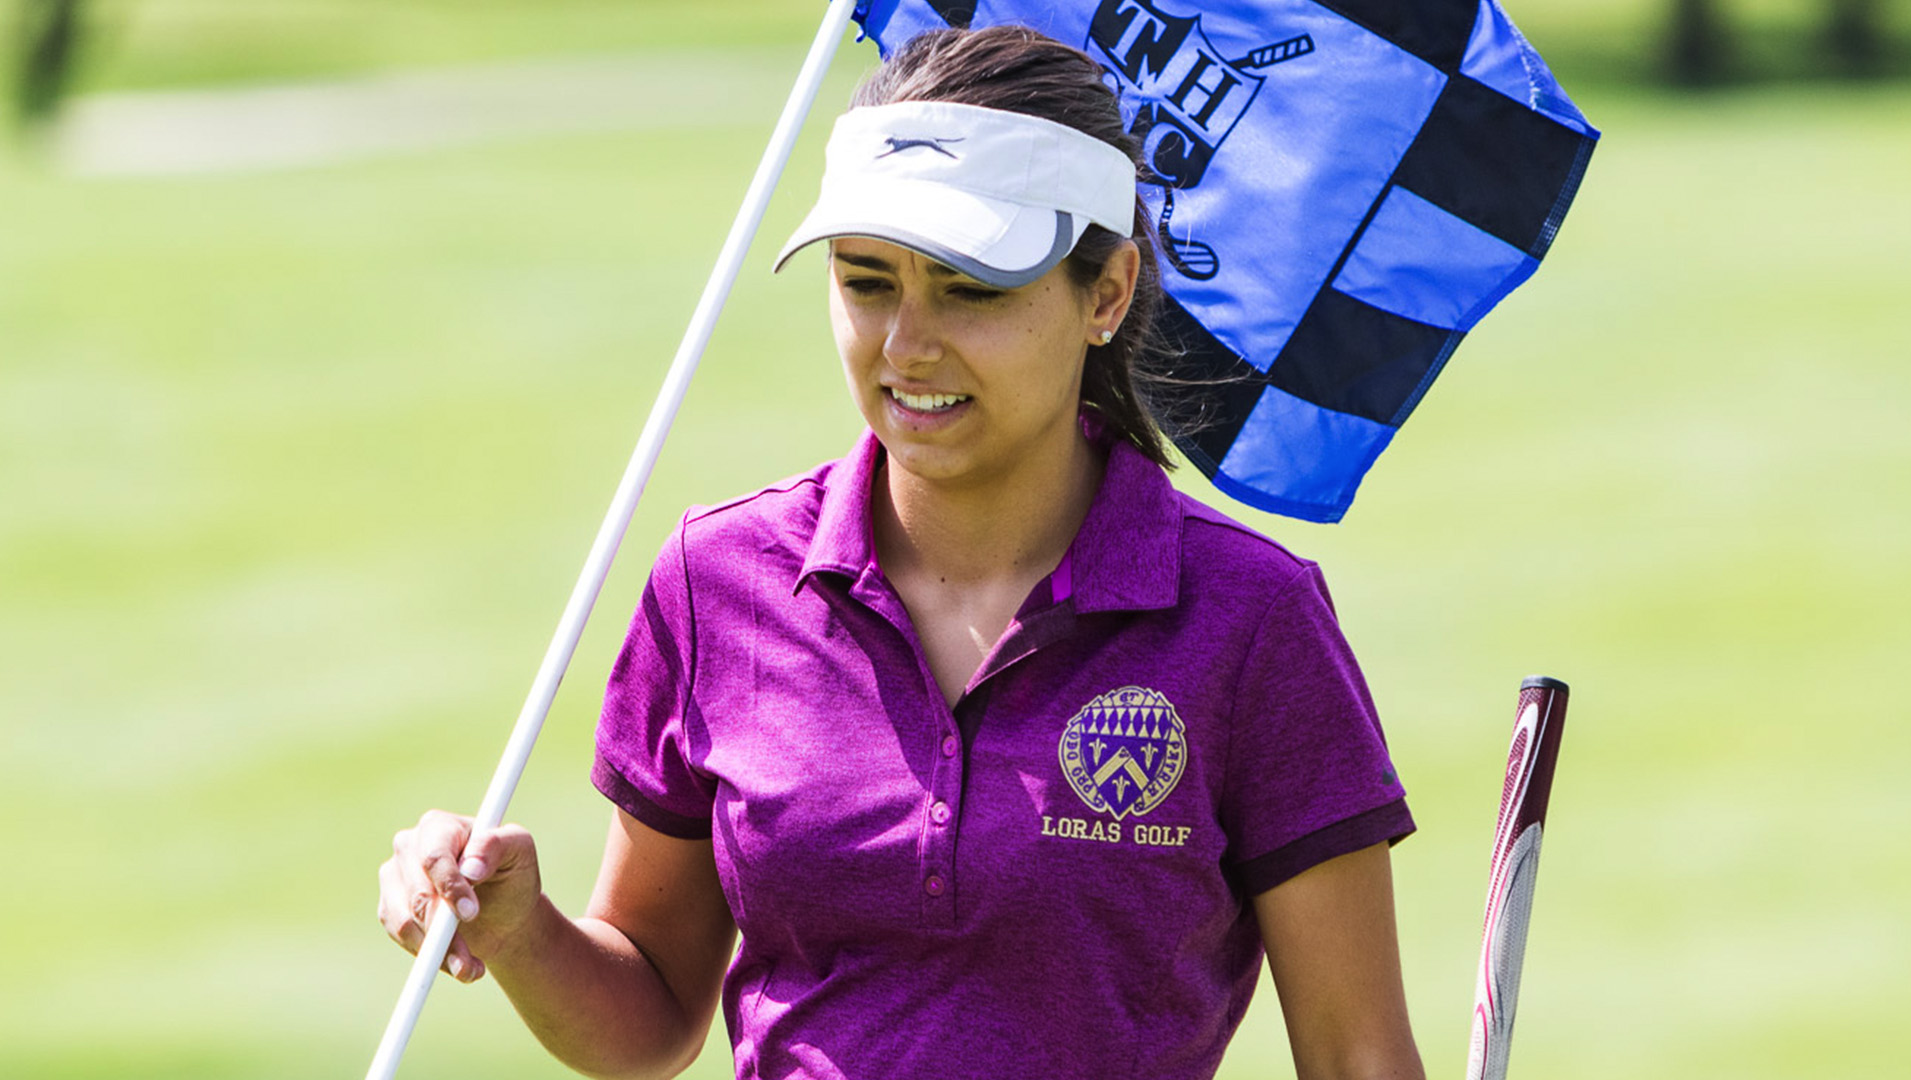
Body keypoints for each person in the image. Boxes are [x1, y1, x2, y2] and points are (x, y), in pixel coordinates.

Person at [379, 25, 1424, 1080]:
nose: (906, 347)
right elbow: (649, 1012)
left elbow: (1358, 1056)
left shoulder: (1248, 617)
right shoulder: (718, 581)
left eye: (972, 288)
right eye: (867, 281)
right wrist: (519, 931)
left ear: (1106, 291)